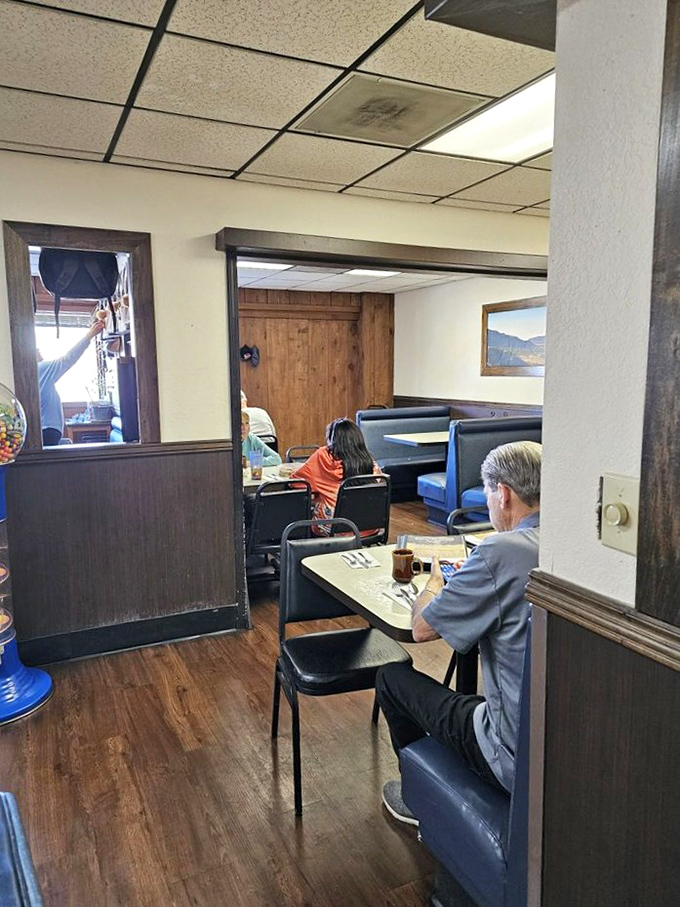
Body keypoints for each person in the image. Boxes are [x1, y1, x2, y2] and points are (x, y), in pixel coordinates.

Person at [376, 440, 542, 825]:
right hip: (550, 740)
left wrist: (434, 583)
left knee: (390, 677)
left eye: (487, 495)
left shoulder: (498, 551)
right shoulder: (566, 545)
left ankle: (418, 797)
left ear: (502, 494)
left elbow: (421, 629)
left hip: (510, 755)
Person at [288, 417, 379, 522]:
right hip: (370, 525)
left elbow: (295, 482)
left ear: (332, 441)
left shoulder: (323, 457)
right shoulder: (370, 463)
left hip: (335, 527)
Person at [37, 319, 106, 446]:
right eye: (35, 349)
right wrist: (90, 335)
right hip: (48, 430)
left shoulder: (33, 373)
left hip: (45, 430)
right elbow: (69, 359)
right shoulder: (39, 368)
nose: (38, 349)